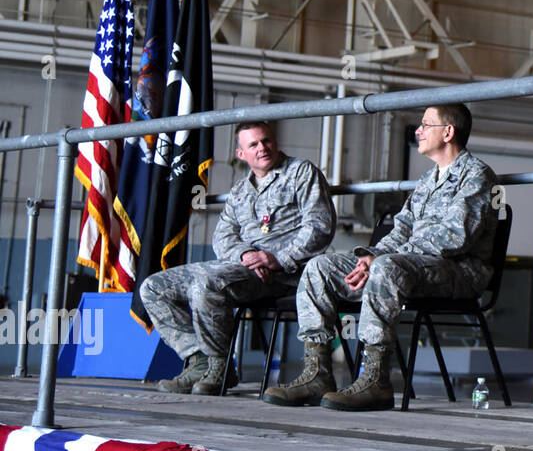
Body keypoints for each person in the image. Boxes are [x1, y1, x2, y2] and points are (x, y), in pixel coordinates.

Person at [263, 103, 498, 411]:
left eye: (426, 124)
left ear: (449, 132)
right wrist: (369, 256)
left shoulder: (477, 175)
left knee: (386, 268)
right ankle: (316, 374)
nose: (418, 130)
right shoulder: (428, 180)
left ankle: (376, 381)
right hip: (410, 264)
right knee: (320, 267)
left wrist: (383, 261)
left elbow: (454, 238)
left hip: (458, 271)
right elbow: (401, 230)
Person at [142, 121, 336, 395]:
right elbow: (222, 236)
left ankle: (220, 367)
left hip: (285, 274)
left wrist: (277, 259)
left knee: (206, 284)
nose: (262, 148)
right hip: (239, 268)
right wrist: (246, 255)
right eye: (253, 145)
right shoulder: (239, 191)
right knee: (153, 287)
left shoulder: (300, 172)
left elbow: (320, 226)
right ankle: (200, 360)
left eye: (266, 141)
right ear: (241, 154)